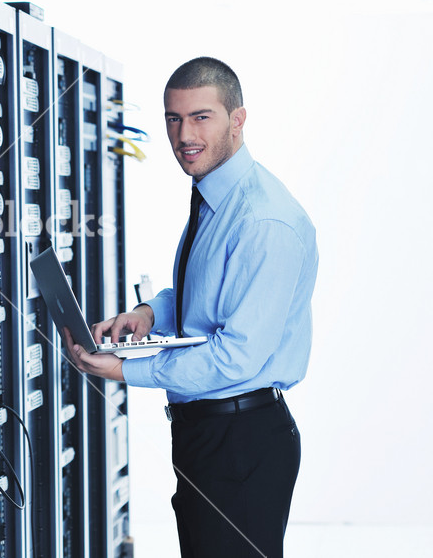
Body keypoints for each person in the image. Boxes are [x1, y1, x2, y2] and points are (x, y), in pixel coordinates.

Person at [63, 57, 318, 558]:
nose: (184, 135)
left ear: (237, 119)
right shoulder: (217, 198)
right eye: (173, 119)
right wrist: (148, 314)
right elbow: (204, 297)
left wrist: (124, 369)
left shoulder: (264, 220)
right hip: (212, 433)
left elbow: (235, 357)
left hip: (241, 439)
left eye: (202, 117)